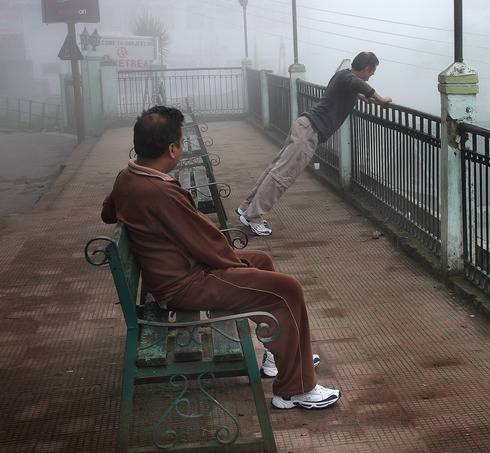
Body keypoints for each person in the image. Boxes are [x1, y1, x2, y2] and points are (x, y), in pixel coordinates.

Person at [101, 105, 340, 410]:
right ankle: (295, 390)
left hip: (172, 274)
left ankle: (277, 356)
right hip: (183, 284)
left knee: (262, 263)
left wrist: (240, 264)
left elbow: (108, 211)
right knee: (286, 288)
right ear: (172, 149)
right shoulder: (159, 192)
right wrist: (235, 264)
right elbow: (206, 242)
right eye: (182, 143)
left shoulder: (129, 176)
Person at [237, 51, 393, 236]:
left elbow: (350, 87)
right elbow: (357, 83)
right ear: (367, 68)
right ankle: (253, 216)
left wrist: (358, 95)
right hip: (310, 132)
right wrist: (381, 99)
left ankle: (246, 208)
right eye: (371, 73)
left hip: (305, 125)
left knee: (276, 169)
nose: (371, 76)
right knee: (282, 175)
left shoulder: (342, 75)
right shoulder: (350, 77)